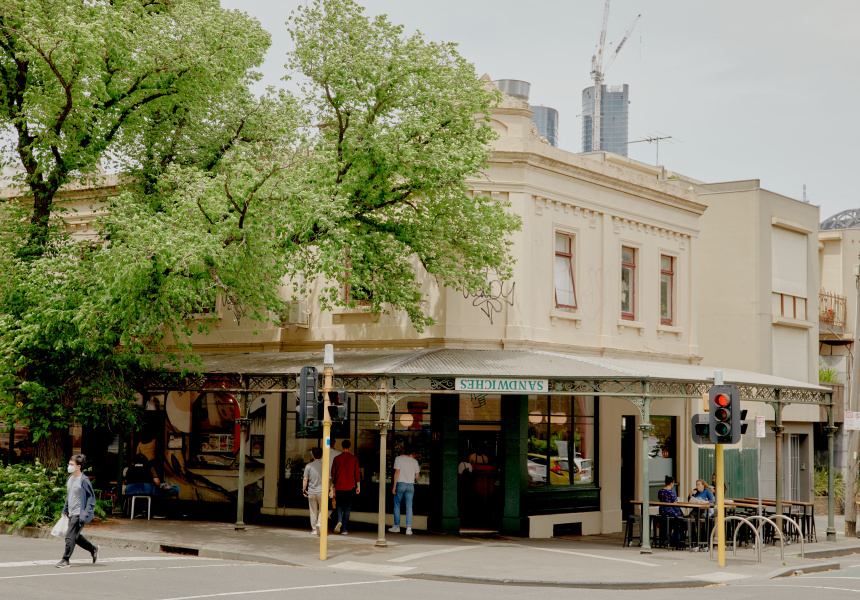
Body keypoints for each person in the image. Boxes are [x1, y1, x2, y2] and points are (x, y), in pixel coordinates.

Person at [57, 454, 98, 568]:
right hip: (71, 512)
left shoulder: (84, 480)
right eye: (69, 464)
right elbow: (69, 496)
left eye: (72, 464)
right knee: (75, 536)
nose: (69, 466)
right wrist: (65, 510)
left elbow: (91, 498)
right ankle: (93, 549)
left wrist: (86, 513)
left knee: (69, 536)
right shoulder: (70, 478)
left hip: (79, 513)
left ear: (78, 466)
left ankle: (65, 559)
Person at [330, 439, 360, 535]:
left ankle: (339, 520)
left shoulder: (336, 458)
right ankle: (344, 529)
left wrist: (332, 487)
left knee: (339, 505)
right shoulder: (354, 459)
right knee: (347, 507)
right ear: (350, 447)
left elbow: (333, 474)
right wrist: (358, 486)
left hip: (339, 486)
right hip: (350, 486)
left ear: (342, 447)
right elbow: (357, 474)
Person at [389, 449, 421, 535]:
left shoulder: (398, 459)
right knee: (409, 507)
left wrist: (394, 486)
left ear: (403, 450)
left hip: (401, 484)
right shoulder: (415, 461)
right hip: (410, 485)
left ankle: (396, 527)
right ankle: (409, 529)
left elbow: (397, 472)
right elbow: (417, 476)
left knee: (397, 505)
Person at [303, 447, 324, 535]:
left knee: (313, 511)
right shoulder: (324, 465)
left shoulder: (308, 466)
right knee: (322, 510)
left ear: (313, 455)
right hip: (322, 491)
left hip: (311, 492)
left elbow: (305, 479)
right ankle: (320, 523)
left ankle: (314, 529)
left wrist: (304, 490)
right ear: (322, 456)